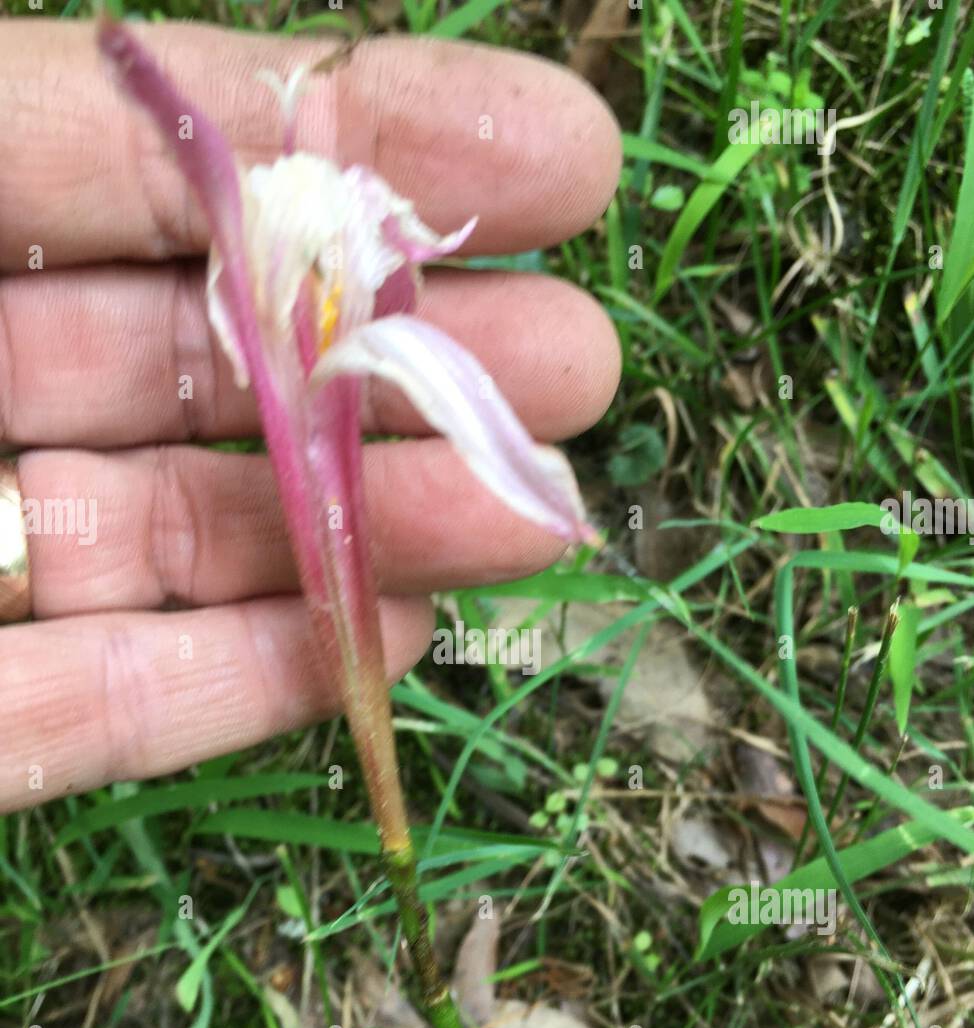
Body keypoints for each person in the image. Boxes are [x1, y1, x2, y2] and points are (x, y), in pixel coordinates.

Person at [0, 19, 621, 814]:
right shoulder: (321, 317)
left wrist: (553, 503)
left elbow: (418, 319)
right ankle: (393, 825)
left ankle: (394, 827)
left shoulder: (383, 339)